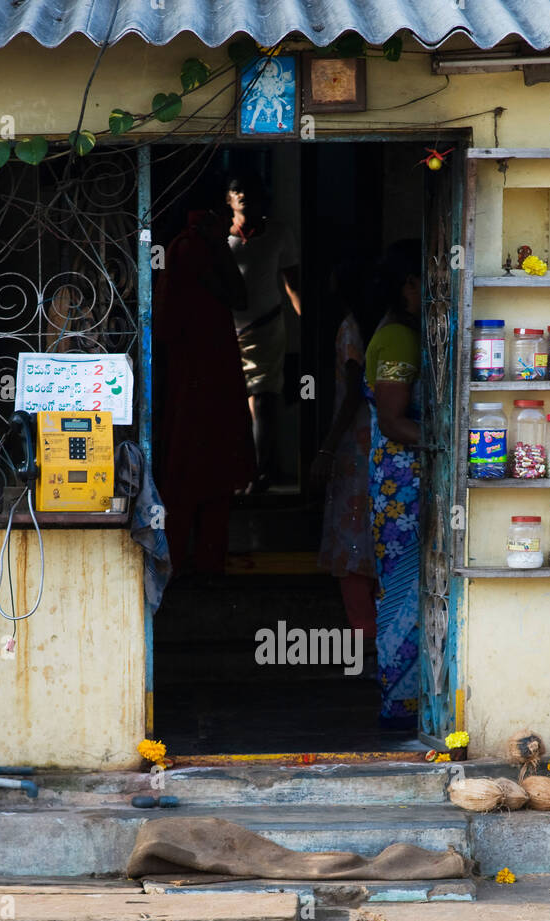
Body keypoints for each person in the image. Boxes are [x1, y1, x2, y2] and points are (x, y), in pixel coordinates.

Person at [153, 192, 256, 576]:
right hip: (199, 371)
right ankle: (194, 563)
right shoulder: (194, 248)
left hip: (197, 371)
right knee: (196, 470)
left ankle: (195, 562)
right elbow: (237, 295)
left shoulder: (186, 246)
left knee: (196, 469)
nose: (231, 225)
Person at [364, 240, 423, 730]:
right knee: (405, 586)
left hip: (396, 480)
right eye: (421, 280)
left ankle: (404, 696)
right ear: (405, 287)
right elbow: (393, 420)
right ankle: (401, 702)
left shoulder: (398, 331)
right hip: (403, 482)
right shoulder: (401, 338)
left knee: (403, 584)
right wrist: (447, 443)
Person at [312, 259, 376, 647]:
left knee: (351, 540)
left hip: (355, 444)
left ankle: (364, 636)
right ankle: (373, 637)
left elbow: (353, 392)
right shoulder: (380, 324)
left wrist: (327, 447)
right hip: (377, 441)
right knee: (370, 536)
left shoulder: (352, 327)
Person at [227, 172, 301, 488]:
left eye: (248, 189)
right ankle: (237, 473)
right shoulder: (218, 235)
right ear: (228, 198)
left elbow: (292, 283)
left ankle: (262, 473)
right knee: (231, 404)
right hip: (224, 332)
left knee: (263, 400)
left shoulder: (278, 233)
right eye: (236, 190)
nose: (242, 195)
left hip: (266, 327)